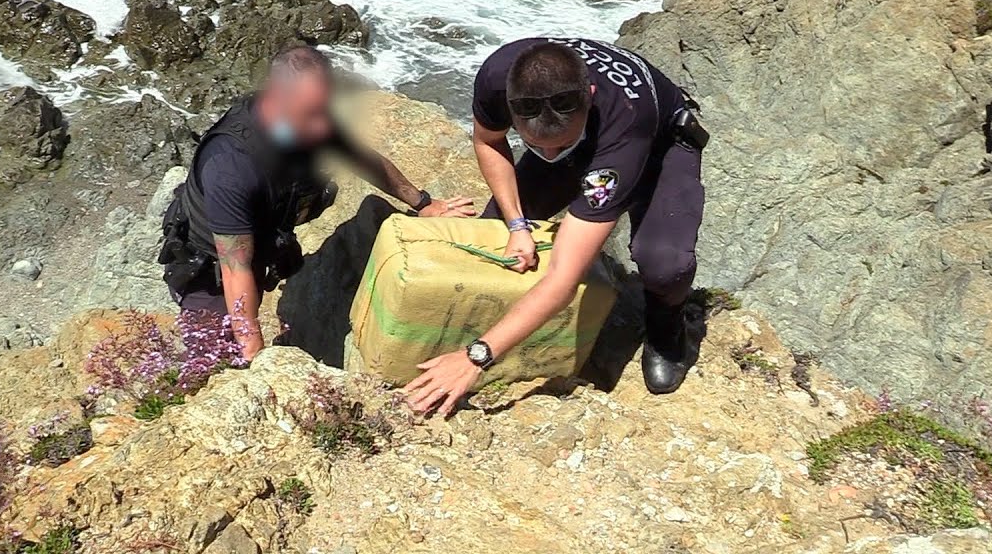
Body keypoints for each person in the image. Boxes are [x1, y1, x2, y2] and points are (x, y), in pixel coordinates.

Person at [406, 37, 709, 413]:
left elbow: (564, 279)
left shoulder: (626, 122)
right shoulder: (499, 77)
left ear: (590, 95)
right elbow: (488, 141)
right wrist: (518, 224)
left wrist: (476, 358)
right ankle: (499, 317)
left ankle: (667, 327)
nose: (548, 155)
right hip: (583, 136)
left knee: (664, 263)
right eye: (535, 145)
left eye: (557, 145)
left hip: (657, 142)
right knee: (496, 228)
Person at [160, 45, 475, 362]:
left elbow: (362, 158)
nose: (323, 126)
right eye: (312, 115)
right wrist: (254, 353)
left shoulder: (306, 117)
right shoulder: (231, 167)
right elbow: (235, 267)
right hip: (211, 268)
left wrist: (423, 203)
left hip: (262, 233)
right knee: (214, 358)